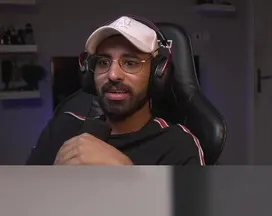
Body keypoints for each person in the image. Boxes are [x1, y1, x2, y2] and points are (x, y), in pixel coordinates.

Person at [25, 15, 205, 166]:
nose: (113, 75)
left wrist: (127, 173)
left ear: (158, 73)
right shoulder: (62, 129)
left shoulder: (178, 146)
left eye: (130, 63)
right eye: (103, 62)